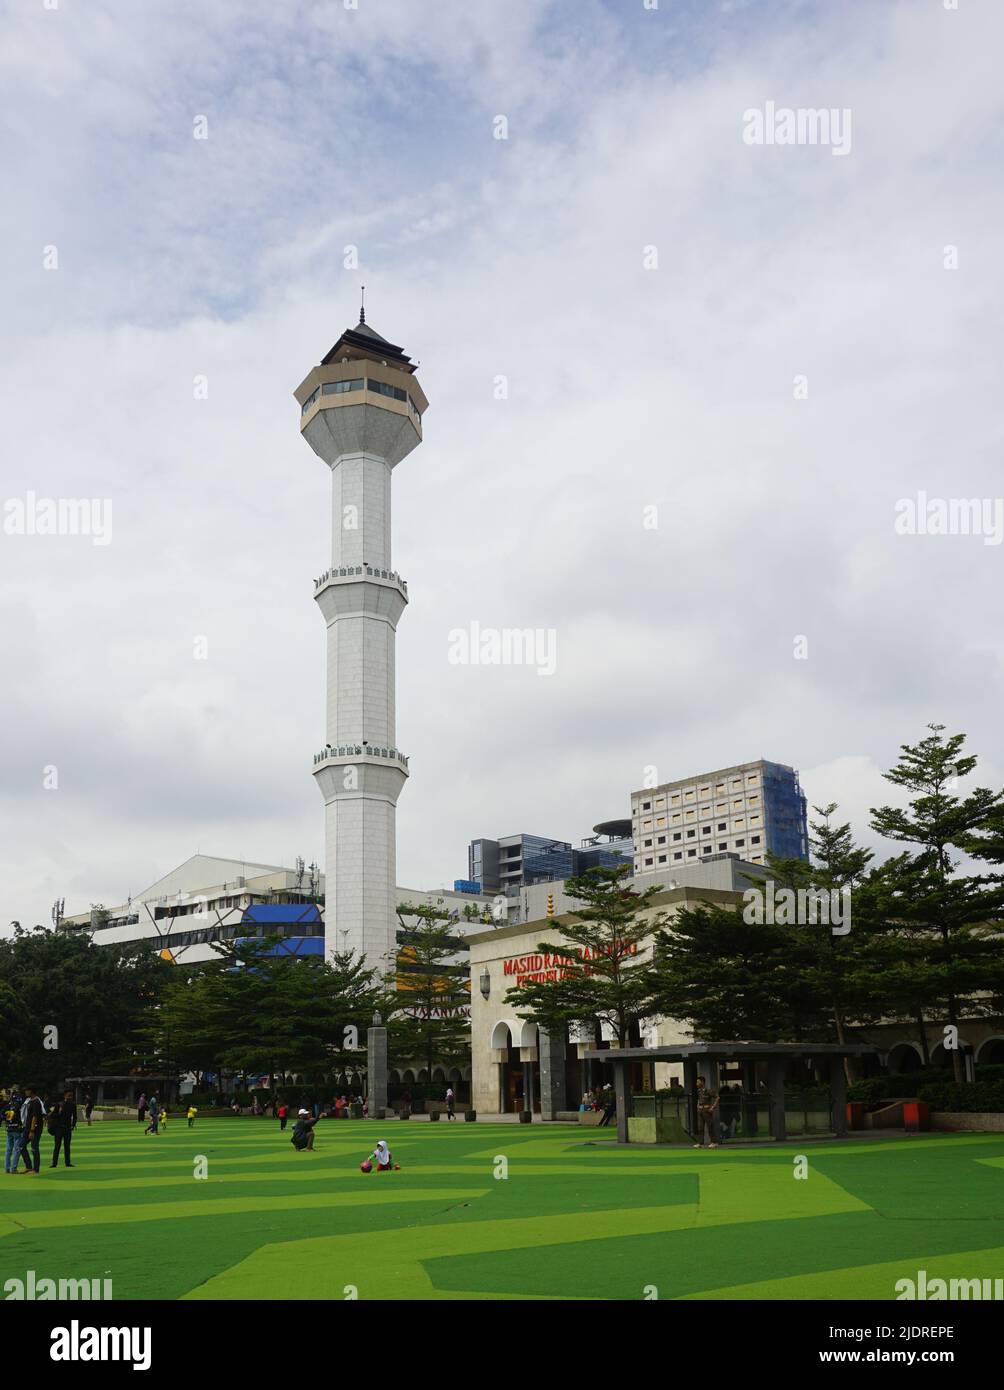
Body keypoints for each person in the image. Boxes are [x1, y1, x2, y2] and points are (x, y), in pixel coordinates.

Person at [20, 1087, 45, 1175]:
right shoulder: (30, 1101)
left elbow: (35, 1117)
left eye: (27, 1090)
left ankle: (36, 1169)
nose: (25, 1091)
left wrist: (32, 1130)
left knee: (34, 1148)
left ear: (31, 1091)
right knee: (21, 1146)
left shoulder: (36, 1102)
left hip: (34, 1129)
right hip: (28, 1128)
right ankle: (29, 1166)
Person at [50, 1090, 76, 1168]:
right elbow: (53, 1115)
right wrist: (59, 1113)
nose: (70, 1097)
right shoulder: (59, 1104)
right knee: (57, 1146)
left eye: (71, 1096)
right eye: (69, 1095)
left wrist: (73, 1125)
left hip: (68, 1128)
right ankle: (54, 1163)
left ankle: (67, 1163)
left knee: (67, 1146)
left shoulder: (73, 1105)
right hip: (59, 1128)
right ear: (65, 1096)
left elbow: (75, 1116)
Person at [693, 1077, 719, 1149]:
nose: (697, 1084)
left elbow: (717, 1097)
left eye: (698, 1082)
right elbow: (699, 1099)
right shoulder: (699, 1091)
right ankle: (700, 1143)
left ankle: (714, 1142)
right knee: (700, 1127)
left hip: (707, 1110)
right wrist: (698, 1106)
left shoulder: (708, 1091)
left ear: (702, 1082)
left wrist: (713, 1107)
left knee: (710, 1126)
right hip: (700, 1110)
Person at [4, 1086, 25, 1173]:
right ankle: (14, 1168)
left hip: (9, 1128)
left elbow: (4, 1115)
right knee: (17, 1149)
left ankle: (7, 1168)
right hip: (17, 1128)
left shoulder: (8, 1105)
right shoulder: (19, 1105)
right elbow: (22, 1117)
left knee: (8, 1149)